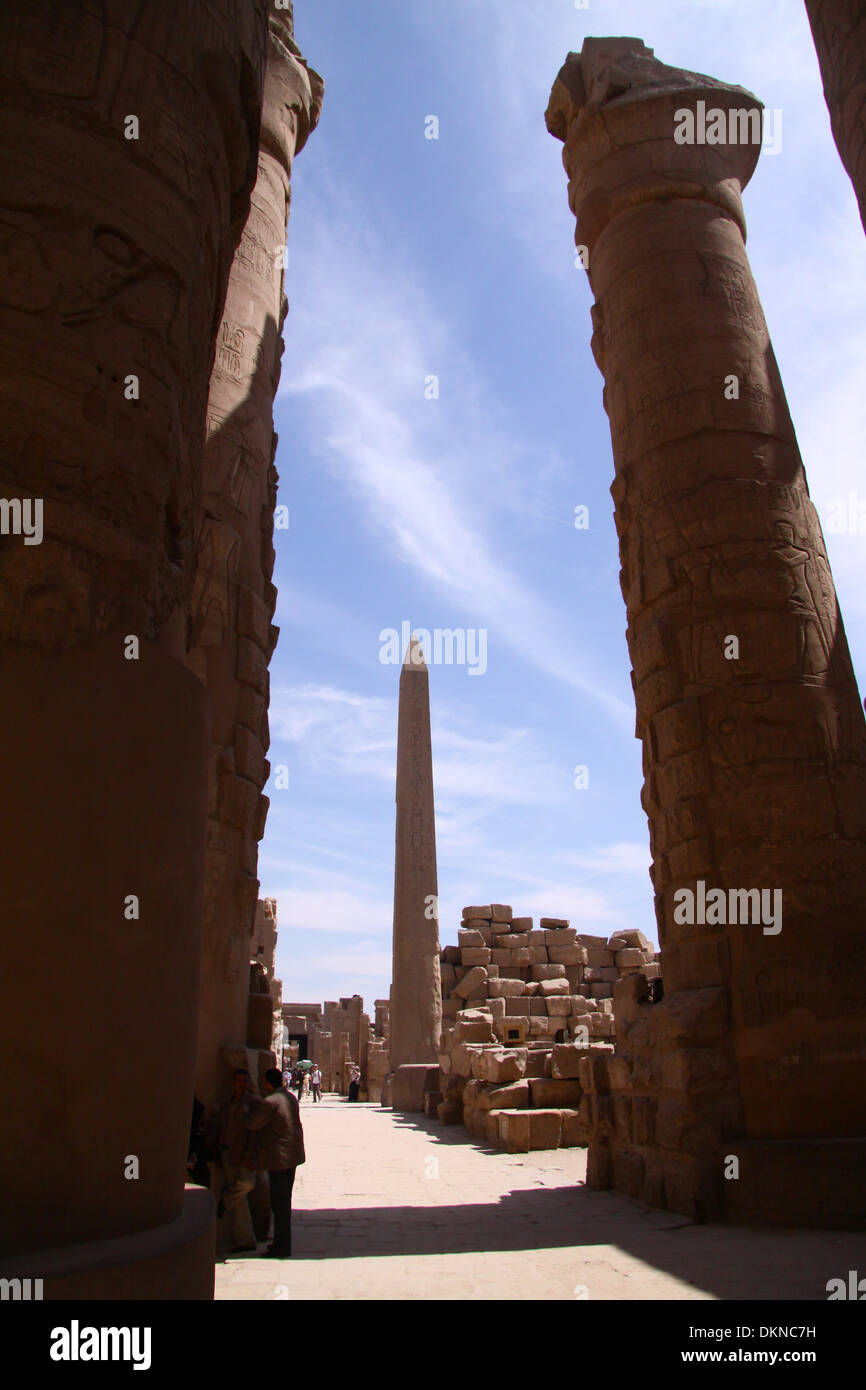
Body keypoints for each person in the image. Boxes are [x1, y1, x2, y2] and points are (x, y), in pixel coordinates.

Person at [246, 1067, 305, 1258]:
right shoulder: (290, 1098)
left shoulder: (271, 1102)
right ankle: (282, 1242)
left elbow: (253, 1124)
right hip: (292, 1155)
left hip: (279, 1157)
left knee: (279, 1204)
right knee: (284, 1202)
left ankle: (282, 1246)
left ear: (268, 1083)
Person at [205, 1069, 258, 1253]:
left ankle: (226, 1200)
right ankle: (246, 1240)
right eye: (238, 1081)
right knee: (241, 1199)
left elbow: (254, 1131)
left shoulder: (252, 1102)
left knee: (248, 1184)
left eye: (244, 1081)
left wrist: (250, 1154)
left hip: (243, 1155)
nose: (240, 1084)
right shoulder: (227, 1104)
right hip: (227, 1153)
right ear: (233, 1082)